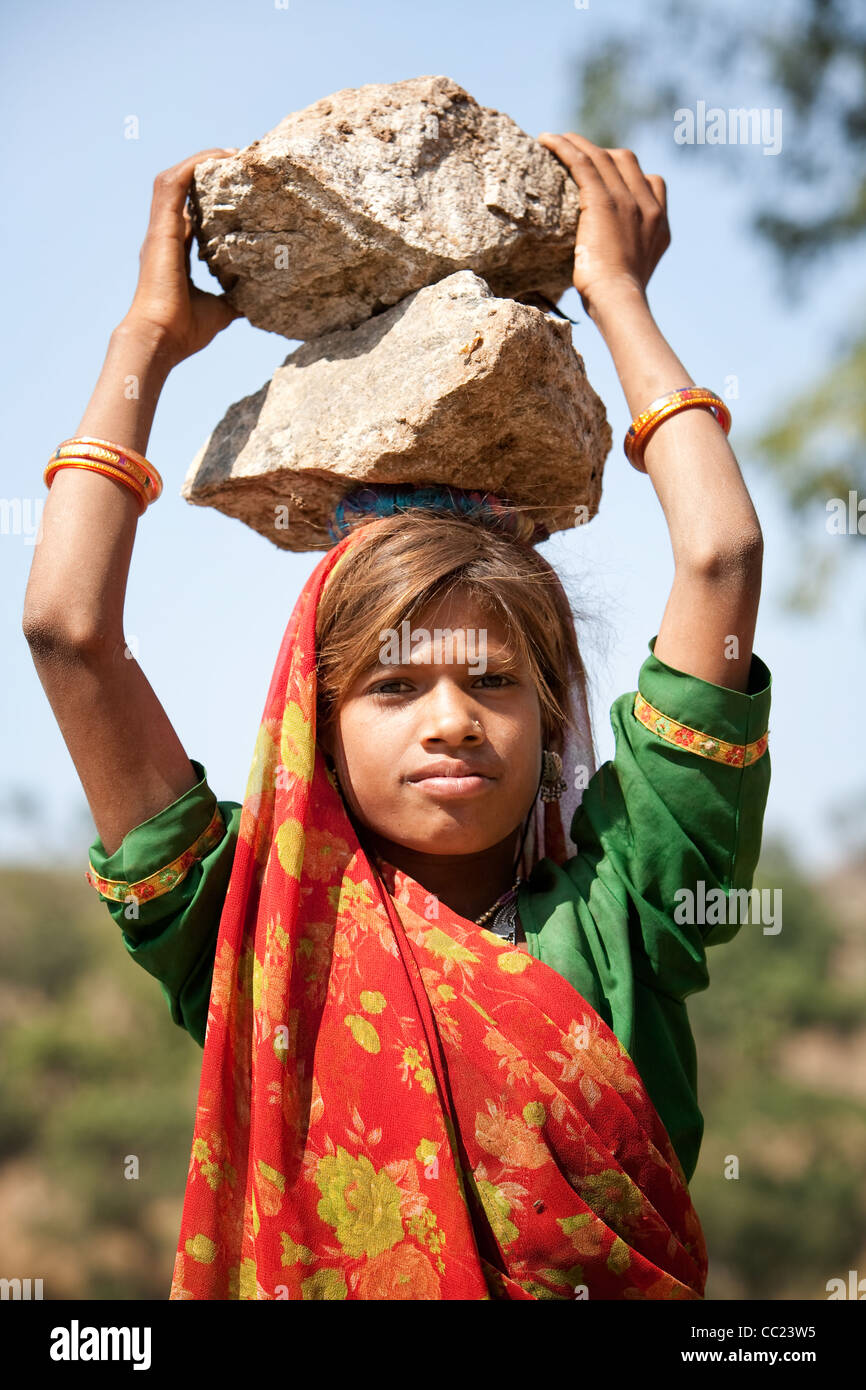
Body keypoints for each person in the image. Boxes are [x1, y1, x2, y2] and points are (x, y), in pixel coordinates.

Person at [23, 132, 770, 1301]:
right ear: (312, 723)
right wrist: (145, 343)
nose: (452, 719)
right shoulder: (250, 931)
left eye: (494, 681)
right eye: (392, 684)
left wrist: (615, 298)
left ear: (552, 715)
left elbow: (720, 554)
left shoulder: (631, 905)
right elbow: (69, 633)